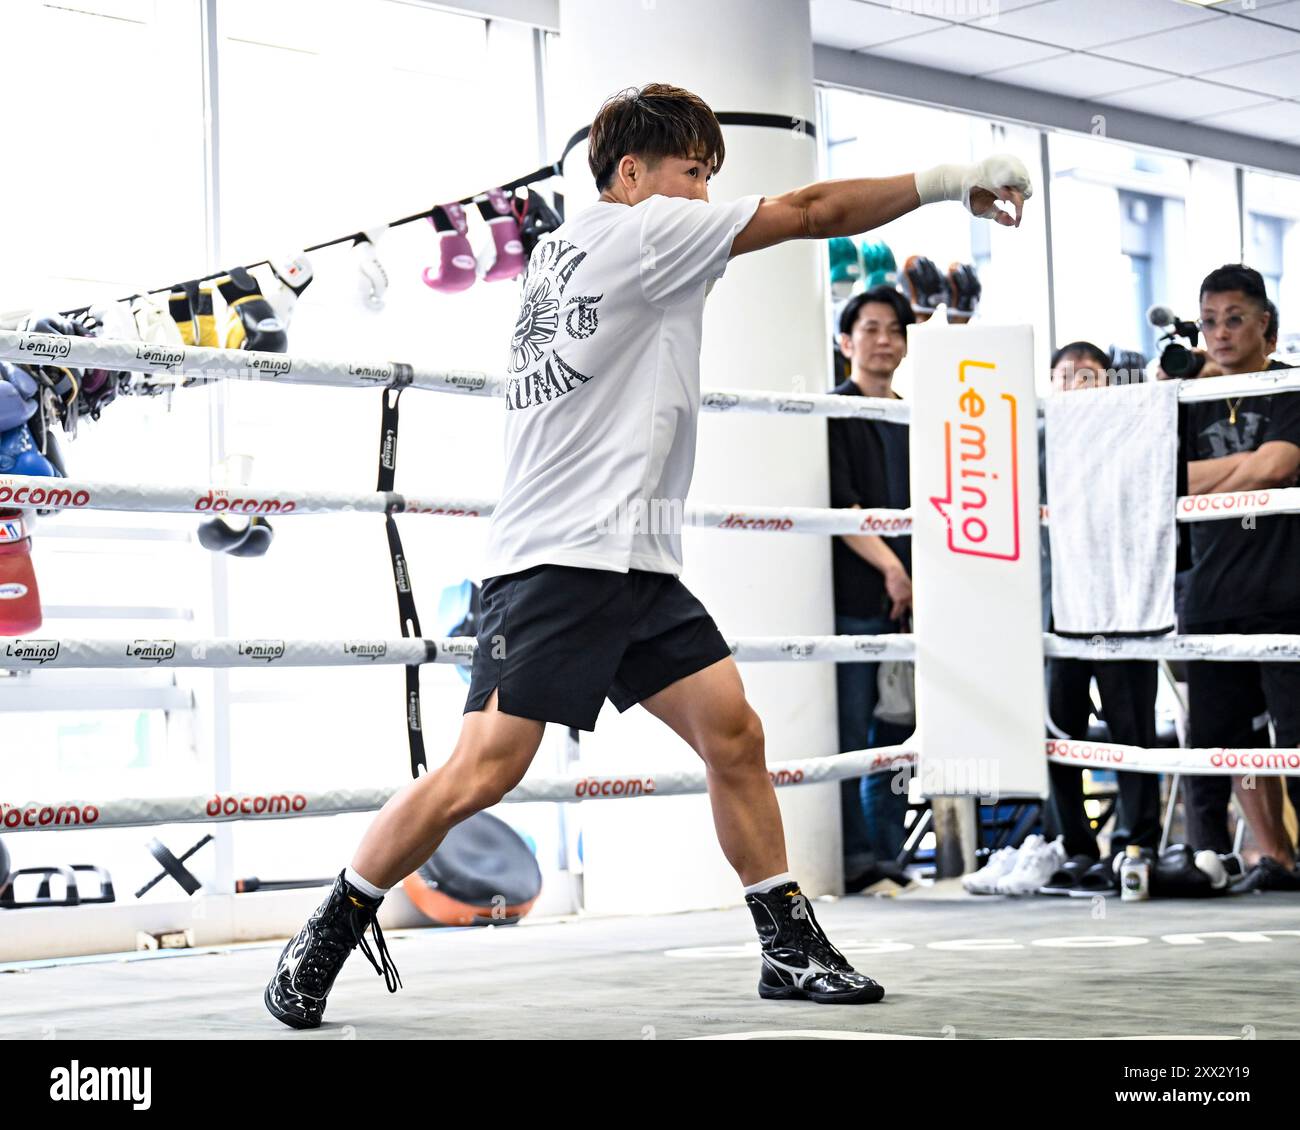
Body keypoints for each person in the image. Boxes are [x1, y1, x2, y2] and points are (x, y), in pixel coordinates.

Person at [265, 82, 1032, 1027]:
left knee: (734, 734)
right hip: (557, 558)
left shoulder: (567, 248)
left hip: (633, 559)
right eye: (690, 172)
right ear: (630, 174)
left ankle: (787, 948)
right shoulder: (638, 233)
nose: (705, 196)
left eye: (711, 176)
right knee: (485, 769)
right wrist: (954, 180)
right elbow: (810, 211)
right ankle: (327, 930)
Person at [1178, 265, 1300, 890]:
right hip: (1212, 594)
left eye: (1234, 319)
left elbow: (1279, 466)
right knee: (1230, 746)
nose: (1220, 333)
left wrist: (1218, 474)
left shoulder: (1290, 388)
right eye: (1209, 321)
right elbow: (1165, 479)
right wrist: (1244, 467)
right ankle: (1274, 858)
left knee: (1296, 736)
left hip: (1285, 591)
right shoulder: (1183, 400)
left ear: (1265, 326)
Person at [1040, 343, 1162, 888]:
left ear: (1110, 385)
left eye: (1086, 377)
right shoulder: (1036, 441)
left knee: (1130, 728)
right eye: (1063, 377)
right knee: (1058, 730)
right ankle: (1075, 846)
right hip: (1058, 608)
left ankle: (1138, 841)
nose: (1073, 387)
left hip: (1121, 601)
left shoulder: (1130, 437)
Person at [827, 286, 915, 889]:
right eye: (871, 328)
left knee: (899, 732)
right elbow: (840, 505)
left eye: (894, 330)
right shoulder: (833, 408)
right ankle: (854, 859)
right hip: (858, 600)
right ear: (845, 341)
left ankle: (888, 854)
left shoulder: (912, 414)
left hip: (908, 605)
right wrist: (891, 567)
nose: (884, 340)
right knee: (850, 731)